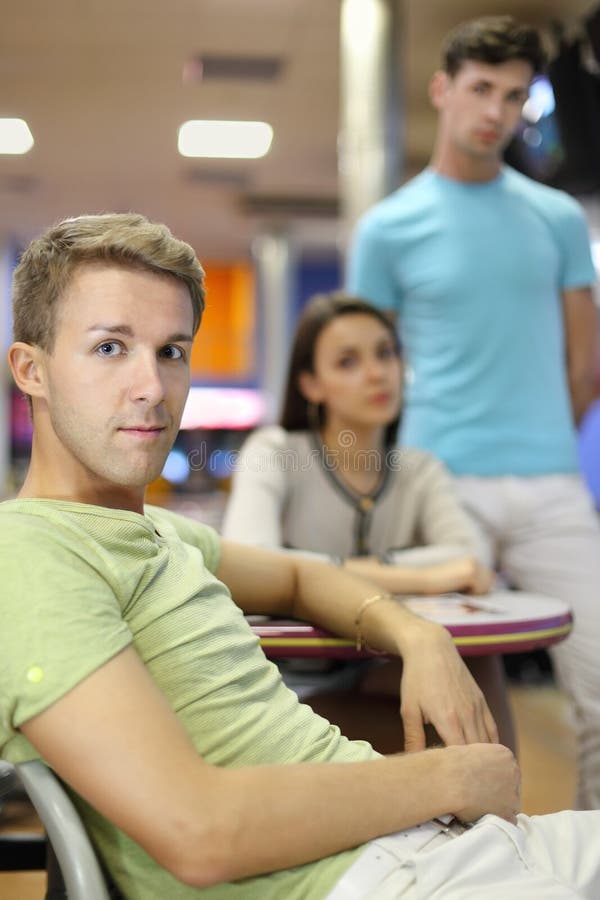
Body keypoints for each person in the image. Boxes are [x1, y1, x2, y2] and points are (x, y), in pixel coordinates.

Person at [0, 213, 598, 900]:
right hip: (378, 878)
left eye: (171, 351)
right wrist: (454, 776)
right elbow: (199, 835)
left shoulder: (159, 532)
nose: (152, 388)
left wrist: (416, 633)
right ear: (31, 370)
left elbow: (294, 574)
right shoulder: (28, 552)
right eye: (110, 348)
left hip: (427, 846)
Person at [348, 14, 600, 810]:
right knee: (452, 703)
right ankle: (488, 866)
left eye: (516, 96)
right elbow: (362, 372)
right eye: (482, 89)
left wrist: (539, 433)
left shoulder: (557, 218)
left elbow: (585, 360)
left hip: (552, 489)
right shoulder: (388, 228)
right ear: (443, 90)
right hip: (439, 484)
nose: (496, 110)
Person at [222, 291, 515, 750]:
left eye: (386, 353)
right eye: (347, 362)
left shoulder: (418, 469)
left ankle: (495, 815)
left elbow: (470, 556)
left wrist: (358, 569)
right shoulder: (275, 452)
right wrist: (426, 576)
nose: (377, 372)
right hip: (281, 683)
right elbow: (250, 560)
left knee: (477, 665)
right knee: (458, 733)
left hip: (379, 666)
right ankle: (482, 805)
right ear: (310, 384)